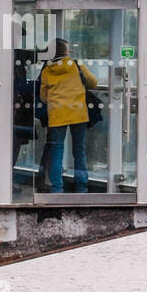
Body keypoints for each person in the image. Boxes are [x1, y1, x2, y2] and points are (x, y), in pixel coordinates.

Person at [37, 38, 97, 193]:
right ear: (64, 51)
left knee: (57, 150)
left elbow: (43, 97)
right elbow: (93, 83)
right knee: (79, 149)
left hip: (57, 115)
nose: (70, 51)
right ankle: (81, 186)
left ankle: (57, 188)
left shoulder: (47, 70)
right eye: (68, 49)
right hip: (78, 113)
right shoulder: (76, 65)